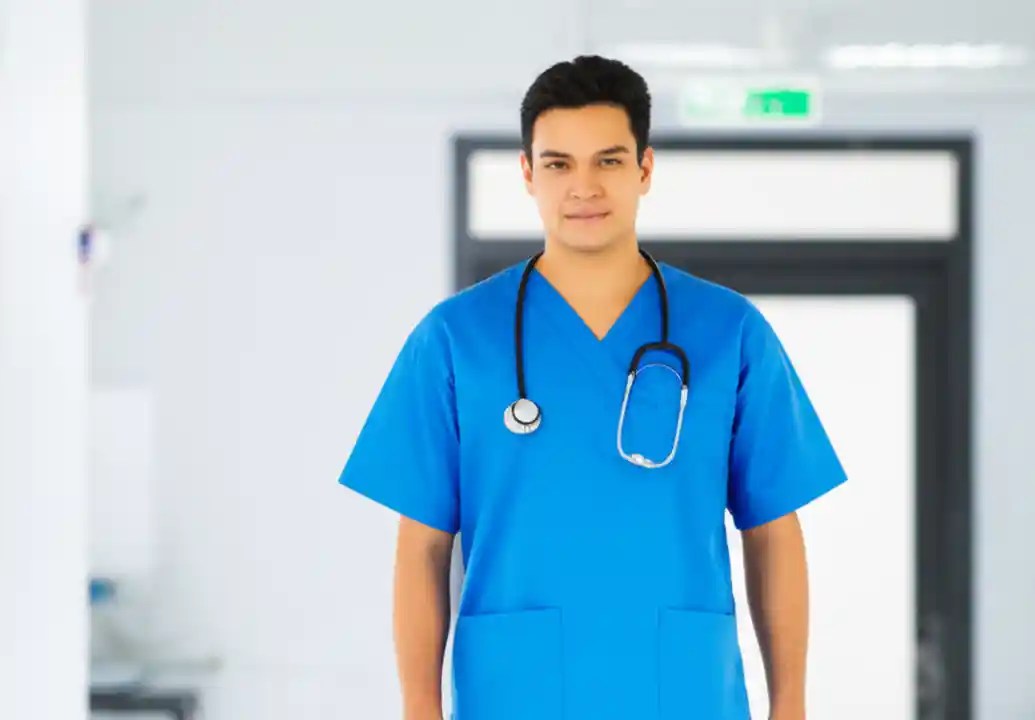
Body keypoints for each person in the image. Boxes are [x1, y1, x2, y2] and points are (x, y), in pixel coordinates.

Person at [338, 55, 847, 720]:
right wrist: (418, 710)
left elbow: (775, 531)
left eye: (608, 161)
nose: (584, 186)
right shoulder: (456, 340)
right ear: (527, 173)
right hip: (513, 695)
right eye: (558, 163)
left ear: (644, 170)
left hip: (682, 691)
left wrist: (791, 707)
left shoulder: (729, 334)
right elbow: (422, 544)